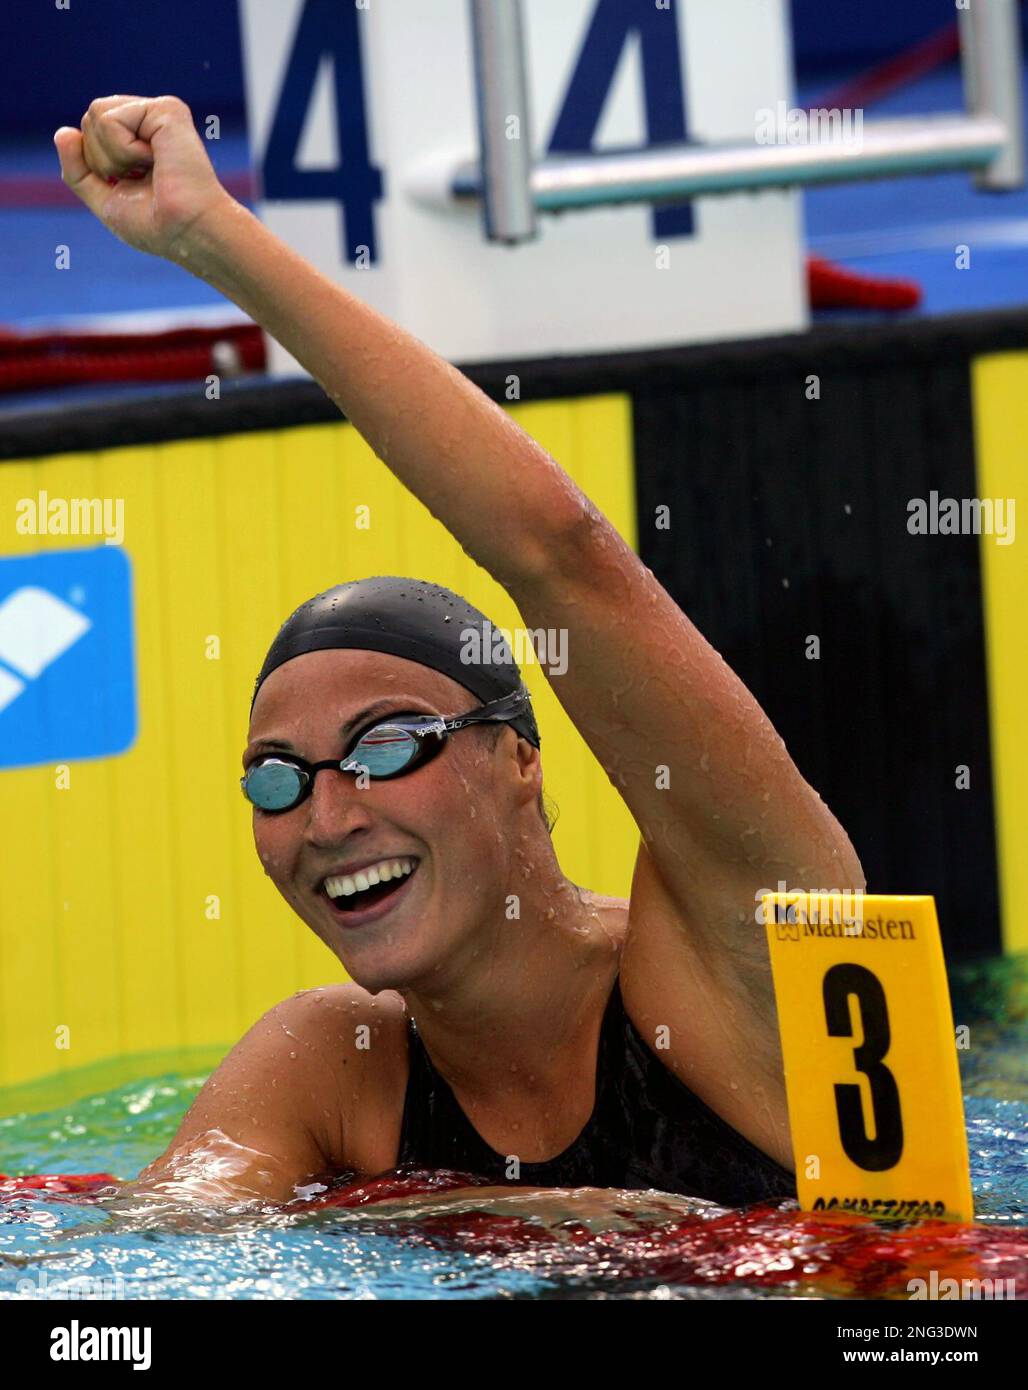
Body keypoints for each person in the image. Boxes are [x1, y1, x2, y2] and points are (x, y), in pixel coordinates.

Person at [54, 96, 865, 1208]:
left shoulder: (741, 947)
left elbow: (560, 555)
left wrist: (213, 239)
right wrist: (503, 1216)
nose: (328, 816)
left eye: (387, 747)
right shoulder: (331, 1063)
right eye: (278, 776)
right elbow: (139, 1249)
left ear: (520, 757)